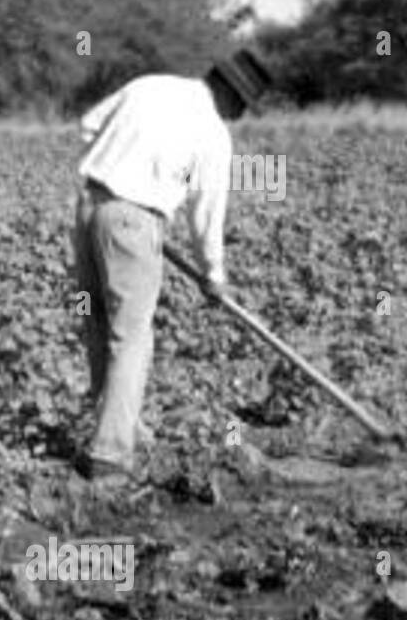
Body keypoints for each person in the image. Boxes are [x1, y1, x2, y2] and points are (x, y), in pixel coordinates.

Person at [71, 49, 273, 483]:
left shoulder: (149, 85)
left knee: (98, 322)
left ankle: (121, 427)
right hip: (135, 222)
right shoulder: (214, 135)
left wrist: (120, 166)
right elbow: (206, 215)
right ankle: (108, 455)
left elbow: (87, 124)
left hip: (89, 208)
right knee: (132, 338)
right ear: (230, 95)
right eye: (240, 105)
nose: (238, 115)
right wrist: (214, 274)